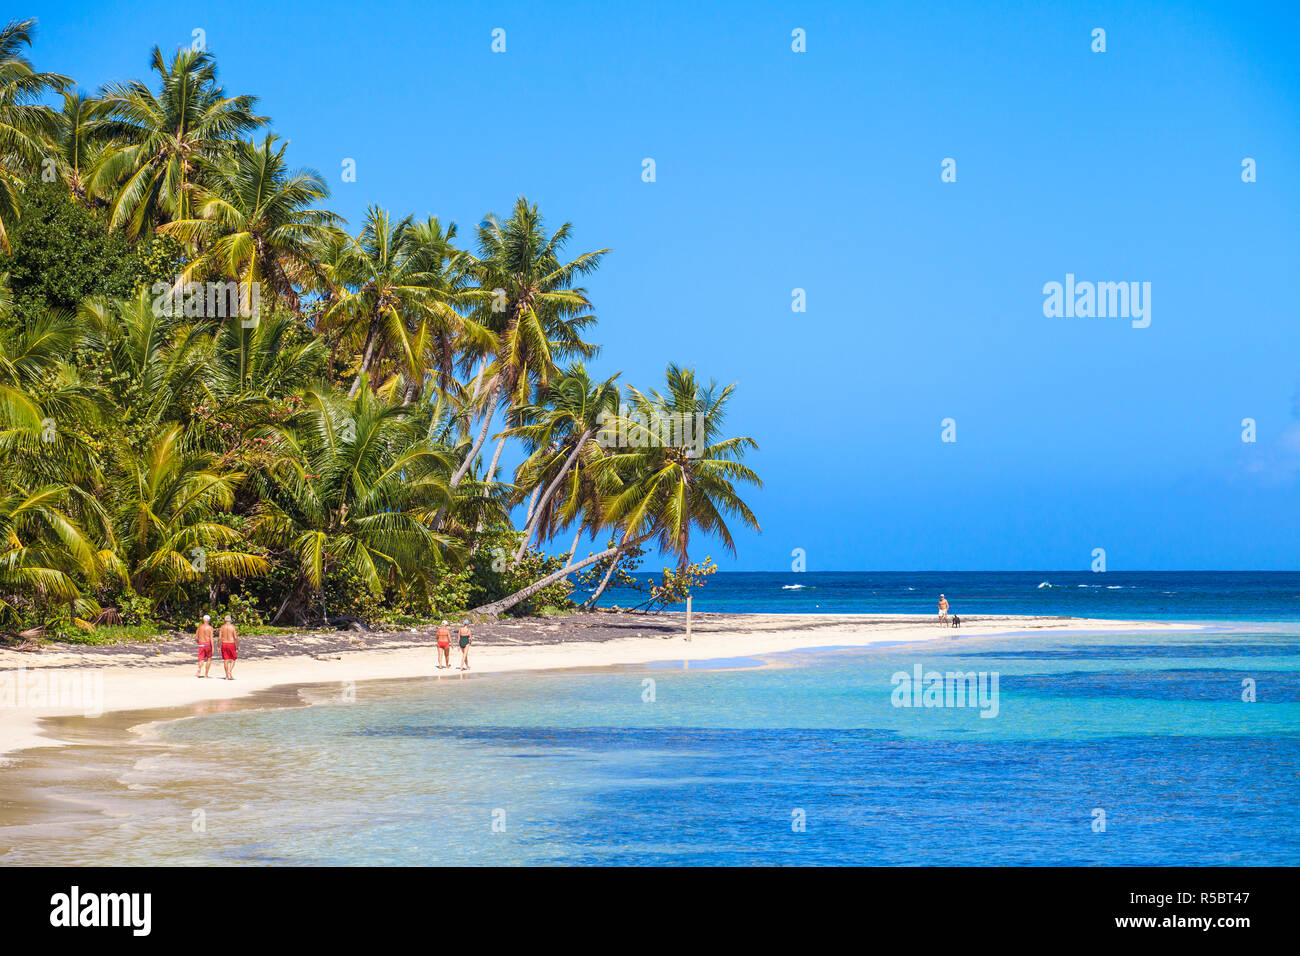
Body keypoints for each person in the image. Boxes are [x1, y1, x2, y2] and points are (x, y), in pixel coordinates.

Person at [219, 614, 239, 680]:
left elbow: (219, 638)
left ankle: (227, 676)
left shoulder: (222, 627)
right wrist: (238, 645)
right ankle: (230, 671)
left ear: (225, 620)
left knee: (225, 660)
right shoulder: (233, 627)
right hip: (231, 643)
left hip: (224, 644)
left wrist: (219, 646)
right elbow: (235, 637)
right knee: (233, 658)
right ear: (230, 620)